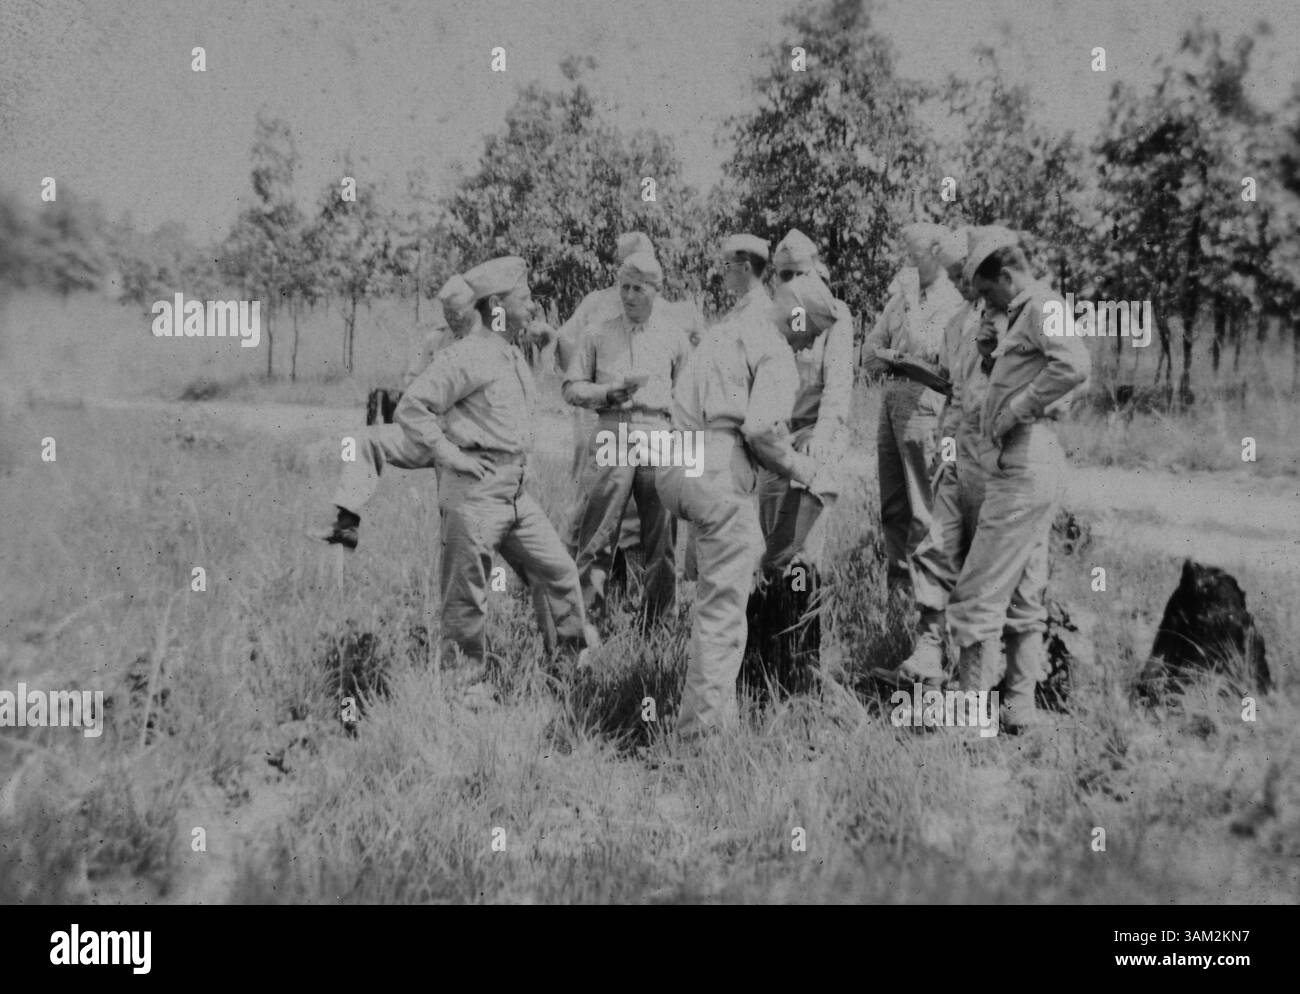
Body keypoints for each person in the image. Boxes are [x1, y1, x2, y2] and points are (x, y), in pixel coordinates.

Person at [395, 256, 596, 681]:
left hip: (514, 493)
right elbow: (412, 408)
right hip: (474, 494)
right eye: (524, 300)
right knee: (466, 600)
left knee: (558, 571)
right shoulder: (465, 356)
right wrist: (450, 456)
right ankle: (463, 688)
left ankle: (568, 670)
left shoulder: (508, 355)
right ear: (498, 306)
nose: (532, 308)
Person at [656, 292, 825, 741]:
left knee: (716, 594)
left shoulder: (722, 332)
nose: (805, 348)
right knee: (723, 613)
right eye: (807, 336)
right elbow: (759, 430)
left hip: (678, 460)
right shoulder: (775, 349)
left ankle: (717, 717)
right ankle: (701, 737)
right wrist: (801, 467)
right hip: (717, 465)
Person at [945, 236, 1090, 732]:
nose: (986, 306)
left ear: (1008, 276)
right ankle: (1018, 710)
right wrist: (991, 357)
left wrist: (1017, 408)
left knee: (977, 591)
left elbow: (1075, 365)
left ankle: (967, 720)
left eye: (989, 294)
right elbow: (1030, 370)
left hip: (1024, 462)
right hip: (1030, 462)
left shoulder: (1042, 305)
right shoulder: (1023, 313)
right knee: (1025, 593)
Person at [562, 251, 691, 626]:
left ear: (657, 290)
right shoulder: (597, 333)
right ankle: (588, 622)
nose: (630, 296)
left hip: (657, 432)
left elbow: (687, 399)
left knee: (662, 534)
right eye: (625, 287)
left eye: (639, 288)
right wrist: (605, 394)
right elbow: (571, 388)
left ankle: (660, 620)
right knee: (598, 531)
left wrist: (687, 458)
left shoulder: (675, 338)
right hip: (612, 430)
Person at [309, 275, 476, 549]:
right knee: (365, 439)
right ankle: (346, 523)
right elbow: (412, 382)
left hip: (465, 442)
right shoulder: (436, 339)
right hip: (429, 432)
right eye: (446, 311)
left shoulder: (487, 343)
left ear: (472, 307)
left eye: (455, 311)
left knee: (458, 521)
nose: (450, 317)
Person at [861, 223, 968, 595]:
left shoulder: (951, 301)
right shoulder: (900, 298)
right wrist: (896, 357)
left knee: (921, 502)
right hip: (892, 397)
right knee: (892, 503)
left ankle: (927, 597)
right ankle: (898, 591)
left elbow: (930, 349)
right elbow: (869, 353)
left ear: (936, 255)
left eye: (916, 256)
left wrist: (901, 352)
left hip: (925, 401)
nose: (909, 264)